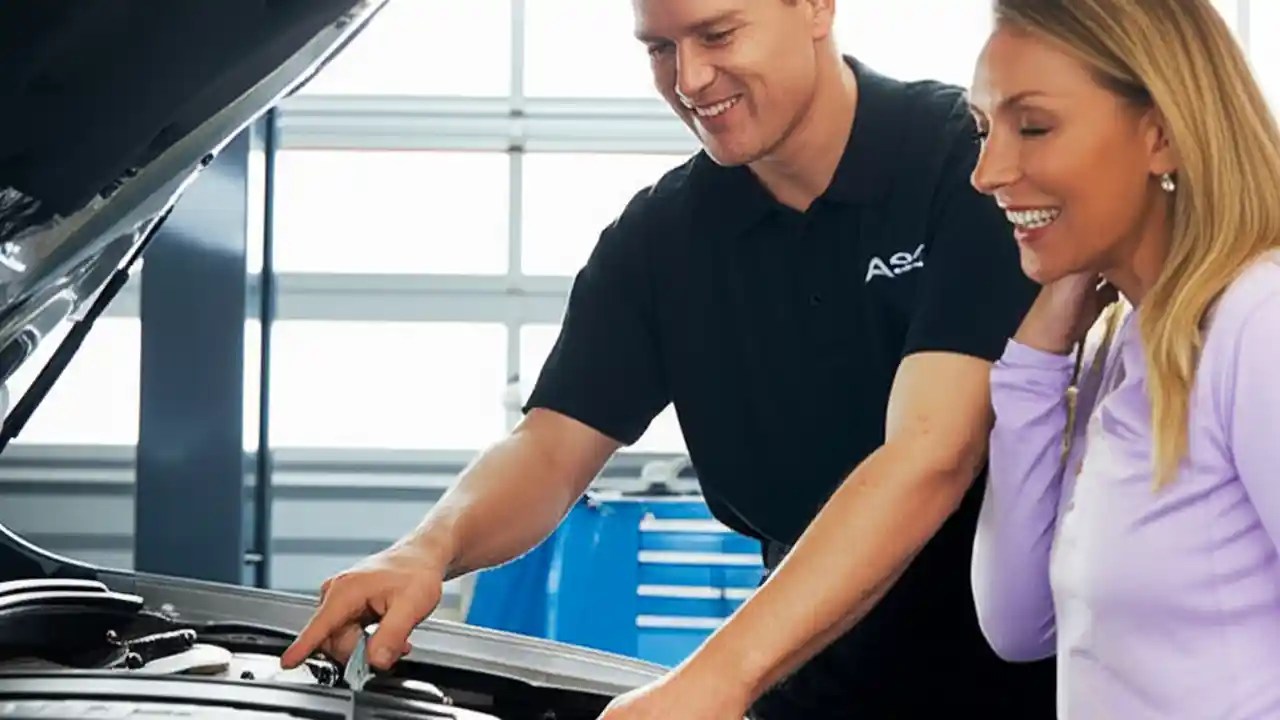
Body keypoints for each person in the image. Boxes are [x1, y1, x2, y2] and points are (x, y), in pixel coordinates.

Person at [281, 0, 1056, 716]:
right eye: (660, 49)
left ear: (817, 7)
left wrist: (717, 676)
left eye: (718, 35)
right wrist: (427, 549)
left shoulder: (972, 168)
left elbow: (931, 454)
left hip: (1025, 680)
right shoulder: (663, 241)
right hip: (810, 679)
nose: (688, 80)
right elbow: (549, 448)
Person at [967, 0, 1280, 718]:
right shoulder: (1122, 341)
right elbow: (1018, 624)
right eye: (983, 130)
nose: (987, 172)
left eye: (1033, 126)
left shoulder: (1258, 322)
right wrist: (1037, 359)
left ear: (1162, 134)